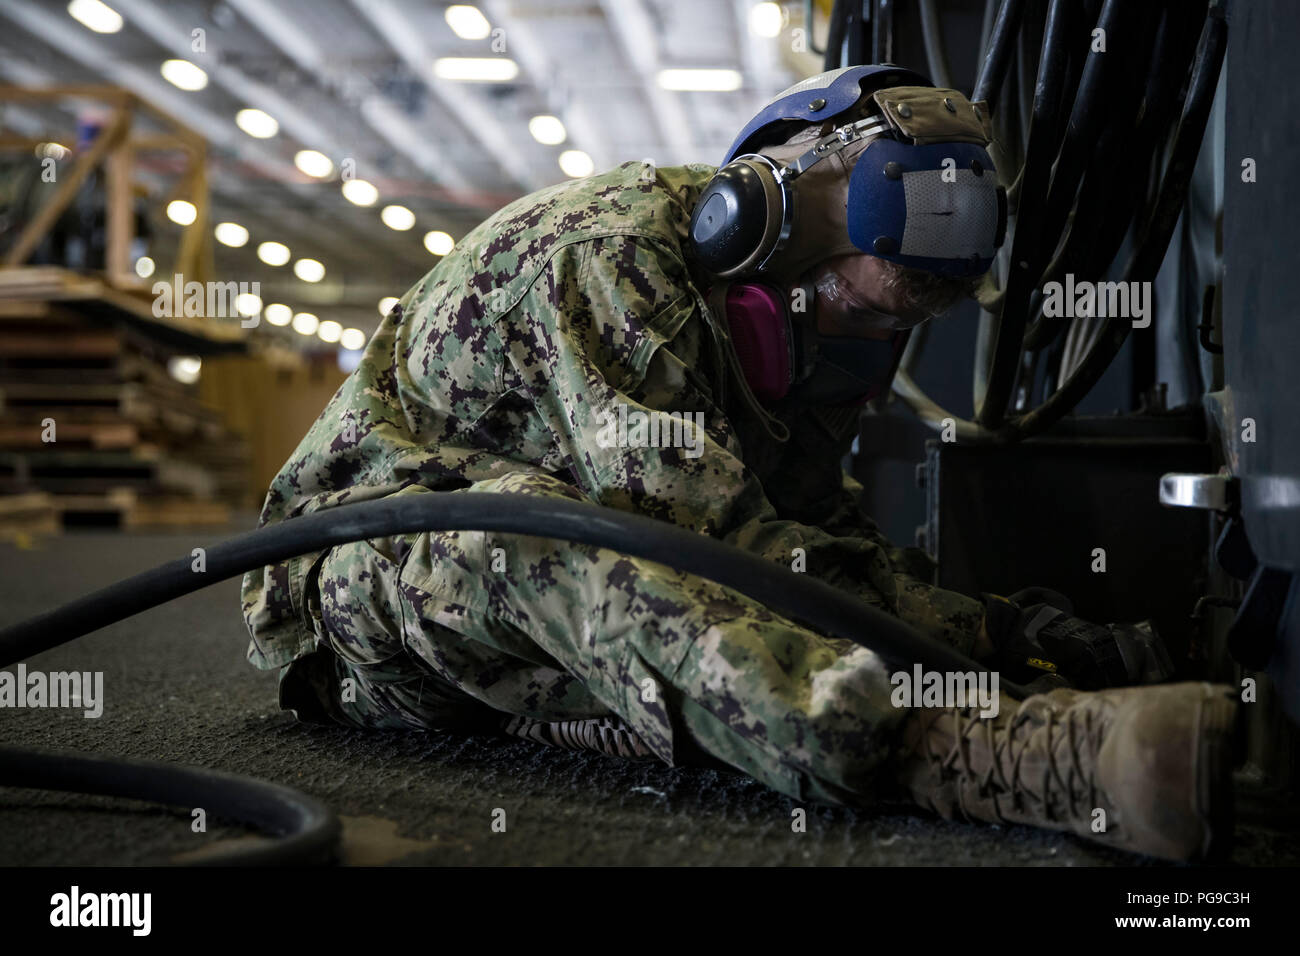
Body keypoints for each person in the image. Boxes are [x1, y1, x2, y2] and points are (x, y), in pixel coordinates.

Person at [241, 66, 1237, 862]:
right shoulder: (610, 253)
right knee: (537, 525)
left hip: (553, 595)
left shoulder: (815, 329)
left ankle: (654, 711)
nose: (868, 347)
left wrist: (1025, 637)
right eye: (858, 311)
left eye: (898, 324)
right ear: (752, 226)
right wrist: (967, 675)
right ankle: (963, 754)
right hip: (357, 592)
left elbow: (815, 549)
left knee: (698, 577)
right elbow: (719, 548)